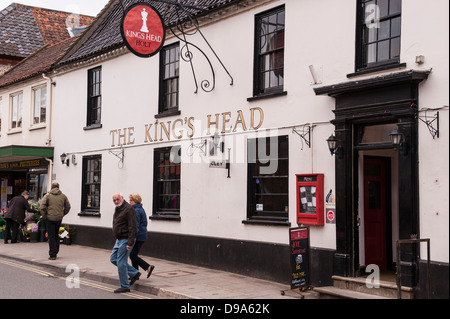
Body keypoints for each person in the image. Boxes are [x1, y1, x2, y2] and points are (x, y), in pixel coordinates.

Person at [110, 193, 140, 293]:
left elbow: (133, 227)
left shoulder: (129, 209)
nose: (116, 202)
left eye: (117, 199)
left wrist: (130, 242)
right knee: (113, 259)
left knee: (121, 262)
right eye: (114, 200)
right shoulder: (118, 208)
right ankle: (134, 273)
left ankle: (125, 286)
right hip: (119, 239)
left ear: (122, 198)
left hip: (126, 239)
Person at [40, 182, 71, 260]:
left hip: (50, 218)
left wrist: (45, 215)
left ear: (51, 187)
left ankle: (53, 254)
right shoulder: (63, 196)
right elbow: (68, 206)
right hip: (59, 218)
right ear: (58, 187)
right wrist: (62, 214)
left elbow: (42, 207)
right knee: (56, 235)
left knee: (51, 236)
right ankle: (56, 251)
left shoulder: (47, 196)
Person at [128, 193, 155, 278]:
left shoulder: (136, 211)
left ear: (135, 201)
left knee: (132, 255)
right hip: (141, 235)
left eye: (131, 200)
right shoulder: (140, 209)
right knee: (133, 255)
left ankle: (147, 267)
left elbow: (136, 226)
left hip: (138, 237)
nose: (129, 202)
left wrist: (133, 237)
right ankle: (135, 274)